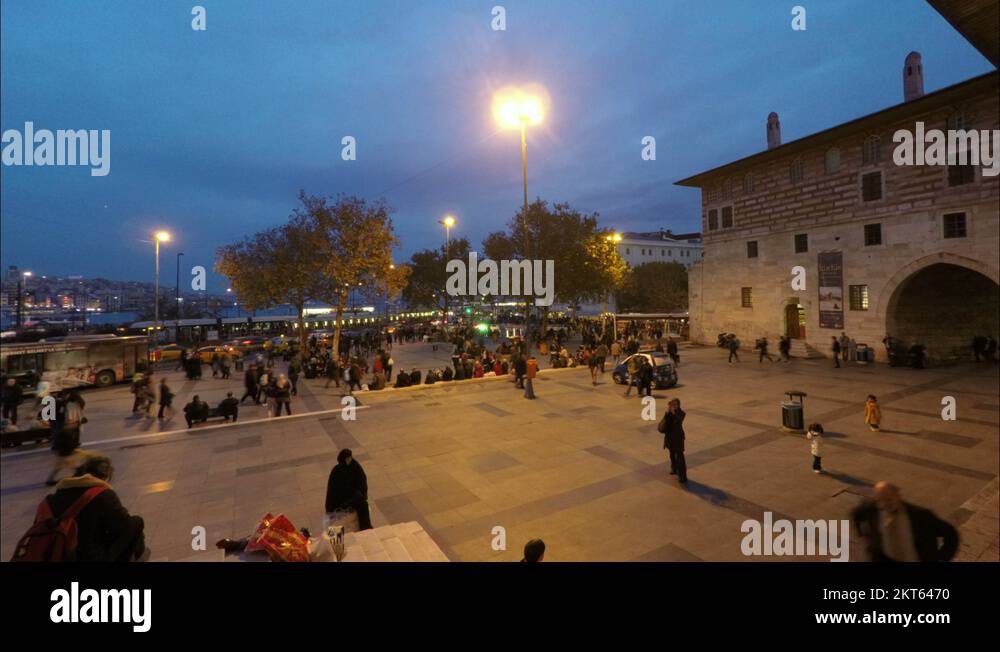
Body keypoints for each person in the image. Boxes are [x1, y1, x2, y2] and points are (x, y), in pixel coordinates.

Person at [33, 455, 148, 562]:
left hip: (54, 556)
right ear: (104, 477)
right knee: (136, 522)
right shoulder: (102, 494)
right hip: (90, 558)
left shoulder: (50, 500)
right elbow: (123, 525)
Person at [851, 481, 959, 562]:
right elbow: (856, 514)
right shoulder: (872, 509)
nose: (885, 504)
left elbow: (951, 534)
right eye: (880, 500)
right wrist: (863, 535)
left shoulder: (921, 516)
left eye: (889, 499)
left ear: (898, 496)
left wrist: (942, 558)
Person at [324, 449, 373, 530]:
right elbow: (331, 490)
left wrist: (360, 497)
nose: (349, 460)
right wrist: (329, 508)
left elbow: (362, 484)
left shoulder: (355, 467)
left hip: (353, 497)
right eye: (347, 458)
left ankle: (366, 527)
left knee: (363, 505)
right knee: (362, 505)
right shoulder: (336, 470)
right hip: (341, 501)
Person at [45, 391, 85, 486]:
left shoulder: (62, 406)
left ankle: (77, 472)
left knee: (64, 460)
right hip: (66, 437)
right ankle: (78, 472)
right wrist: (77, 424)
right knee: (65, 459)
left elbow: (53, 422)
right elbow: (69, 422)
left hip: (61, 438)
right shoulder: (73, 405)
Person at [658, 398, 686, 483]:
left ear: (678, 405)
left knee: (680, 458)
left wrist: (673, 413)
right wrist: (667, 412)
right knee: (672, 455)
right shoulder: (669, 413)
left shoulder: (681, 413)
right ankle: (674, 468)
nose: (673, 406)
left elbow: (678, 421)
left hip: (678, 439)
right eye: (671, 404)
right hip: (670, 438)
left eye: (674, 405)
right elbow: (664, 423)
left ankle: (682, 476)